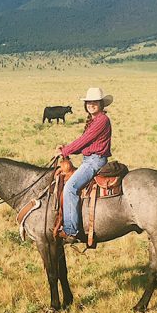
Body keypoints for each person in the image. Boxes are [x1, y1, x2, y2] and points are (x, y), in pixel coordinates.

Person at [56, 87, 113, 243]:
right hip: (89, 159)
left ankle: (71, 231)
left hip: (94, 161)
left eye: (94, 102)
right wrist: (66, 150)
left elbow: (85, 140)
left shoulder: (102, 120)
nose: (91, 105)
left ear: (101, 104)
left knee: (70, 188)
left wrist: (65, 151)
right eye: (88, 102)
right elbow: (85, 143)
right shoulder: (95, 120)